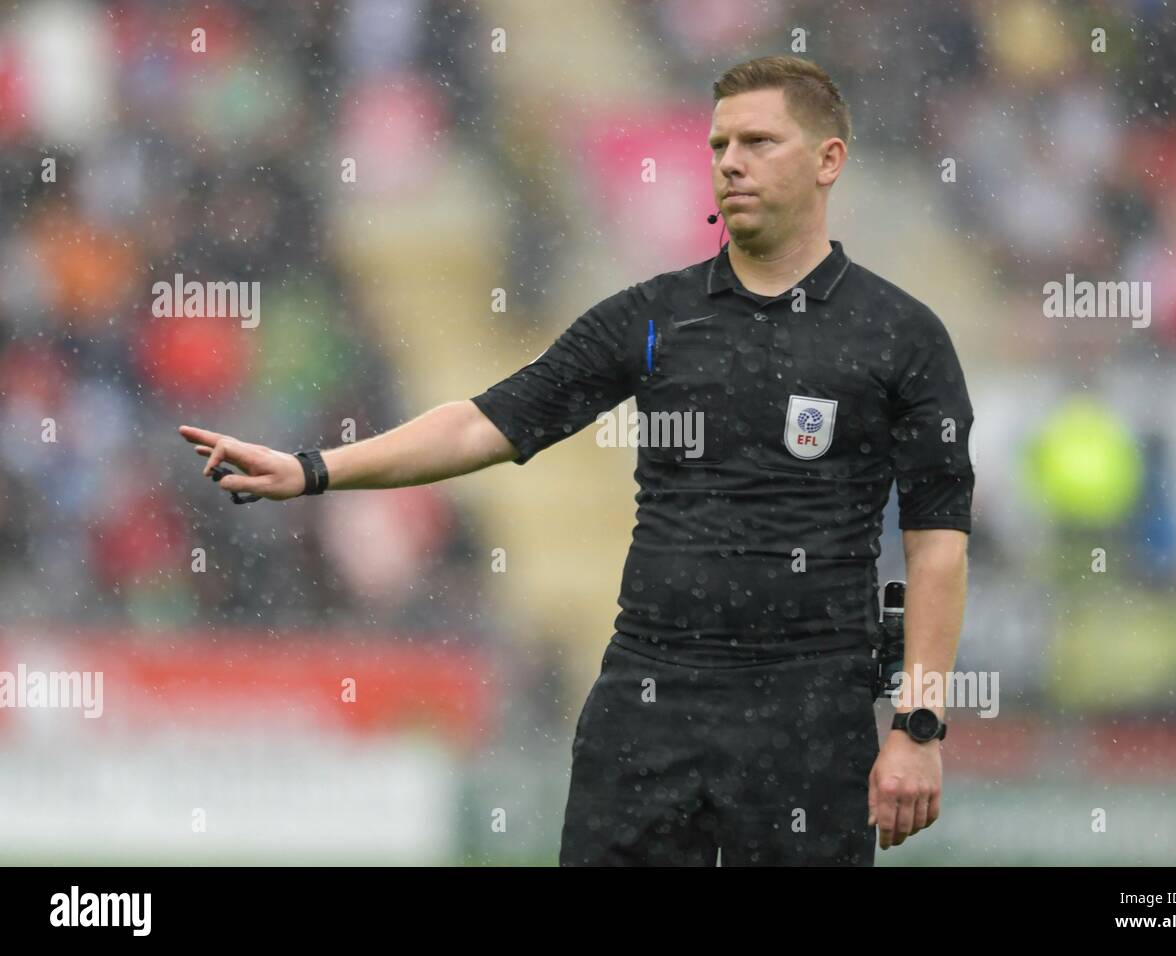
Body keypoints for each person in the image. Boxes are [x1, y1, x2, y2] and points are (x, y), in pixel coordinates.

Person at [178, 55, 975, 867]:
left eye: (760, 141)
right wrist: (314, 470)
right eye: (719, 143)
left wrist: (918, 728)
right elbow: (486, 422)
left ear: (828, 160)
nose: (730, 161)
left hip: (809, 718)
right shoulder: (655, 316)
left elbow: (937, 546)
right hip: (649, 705)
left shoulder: (900, 338)